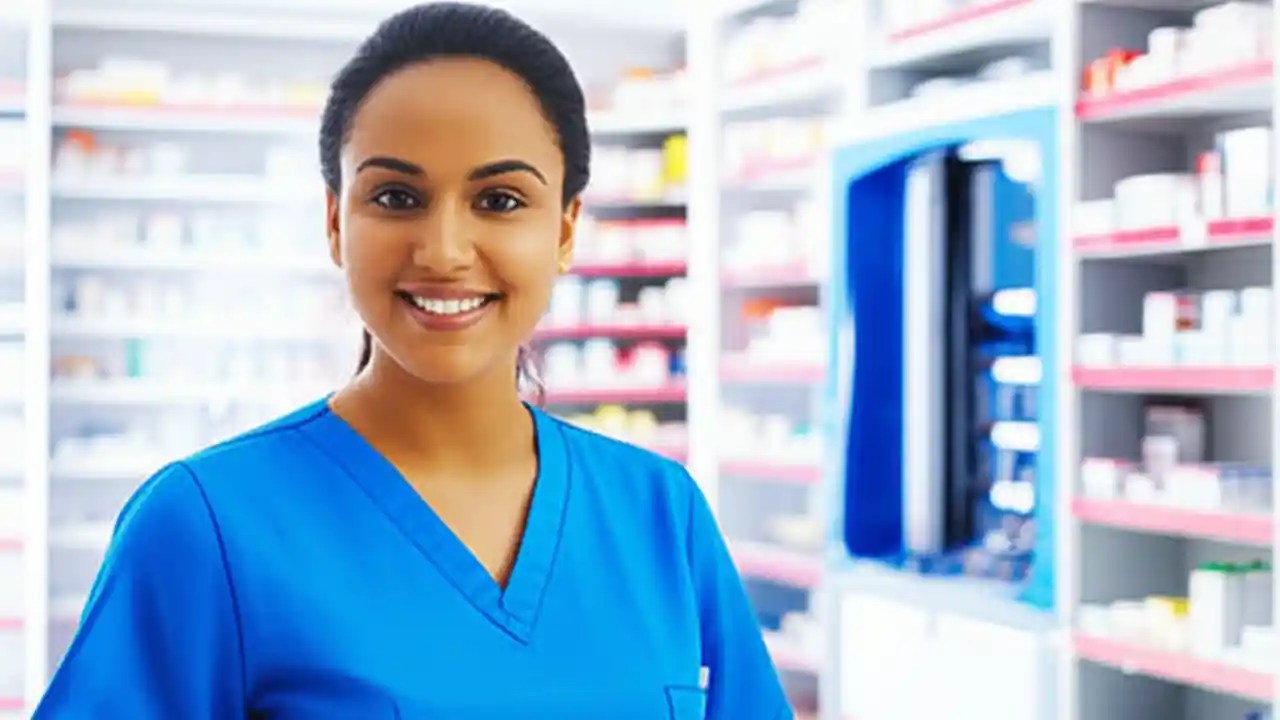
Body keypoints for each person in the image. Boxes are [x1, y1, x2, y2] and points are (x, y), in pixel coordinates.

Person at [33, 3, 790, 718]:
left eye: (499, 200)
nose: (444, 252)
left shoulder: (661, 515)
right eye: (396, 197)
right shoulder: (207, 523)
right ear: (335, 222)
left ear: (565, 231)